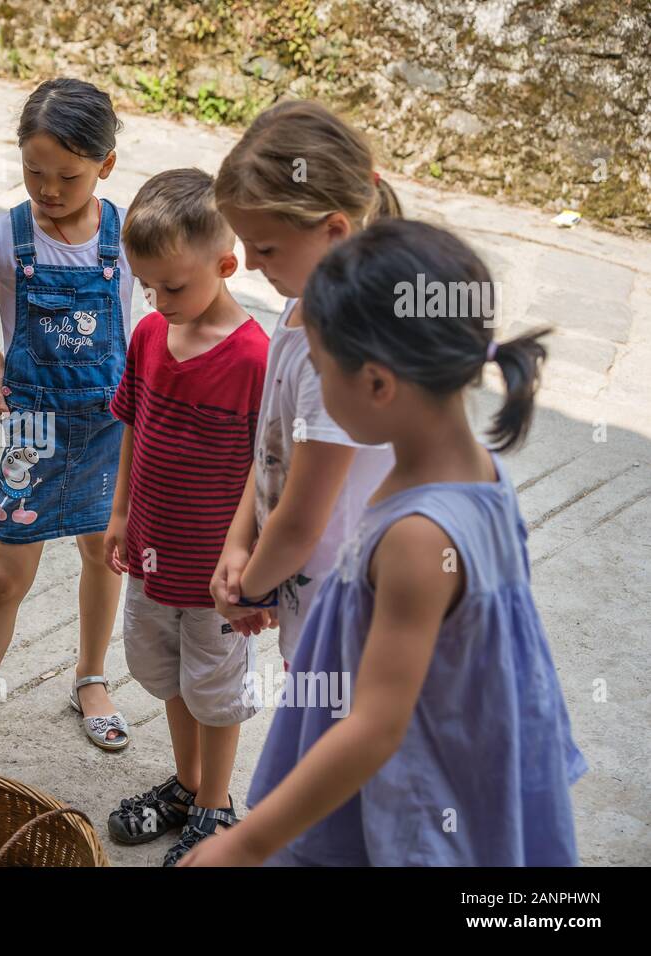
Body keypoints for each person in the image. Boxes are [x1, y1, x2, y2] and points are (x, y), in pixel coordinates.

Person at [181, 219, 586, 866]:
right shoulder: (476, 471)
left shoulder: (418, 540)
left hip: (416, 809)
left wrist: (246, 842)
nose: (312, 383)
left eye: (319, 367)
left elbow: (375, 727)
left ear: (376, 384)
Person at [0, 78, 137, 767]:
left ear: (106, 164)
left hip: (109, 425)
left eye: (68, 177)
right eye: (33, 172)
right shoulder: (4, 236)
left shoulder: (128, 237)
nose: (48, 189)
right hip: (34, 433)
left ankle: (92, 679)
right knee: (2, 579)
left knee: (102, 553)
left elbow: (162, 315)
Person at [101, 169, 271, 865]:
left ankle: (216, 808)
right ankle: (189, 781)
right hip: (149, 555)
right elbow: (134, 427)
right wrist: (119, 514)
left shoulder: (257, 358)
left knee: (217, 690)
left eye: (174, 286)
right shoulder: (148, 336)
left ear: (225, 265)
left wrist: (252, 563)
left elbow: (271, 469)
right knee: (168, 675)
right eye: (147, 286)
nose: (158, 300)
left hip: (217, 576)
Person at [209, 100, 398, 665]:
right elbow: (272, 450)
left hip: (343, 607)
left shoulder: (338, 349)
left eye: (264, 248)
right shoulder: (299, 304)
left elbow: (303, 518)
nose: (246, 262)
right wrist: (238, 542)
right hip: (303, 587)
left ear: (334, 232)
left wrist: (248, 586)